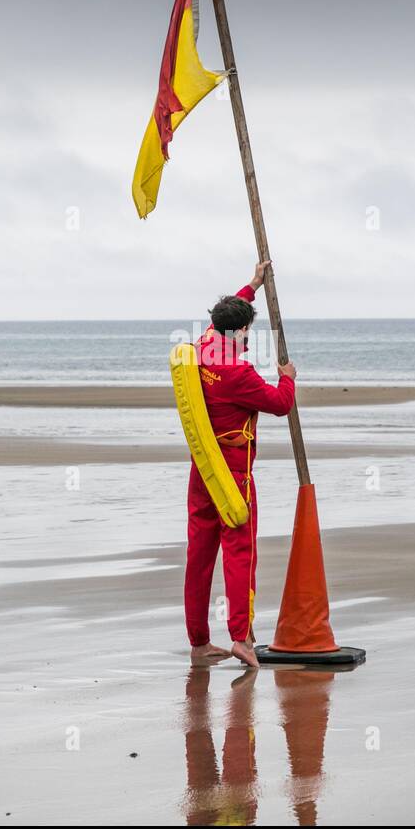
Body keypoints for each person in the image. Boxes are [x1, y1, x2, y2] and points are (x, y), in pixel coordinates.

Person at [184, 260, 297, 667]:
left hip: (202, 471)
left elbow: (226, 318)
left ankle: (199, 642)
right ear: (243, 331)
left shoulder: (203, 346)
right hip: (233, 474)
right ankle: (241, 638)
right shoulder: (239, 373)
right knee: (239, 552)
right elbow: (281, 405)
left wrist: (252, 285)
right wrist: (288, 376)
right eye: (248, 329)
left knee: (199, 554)